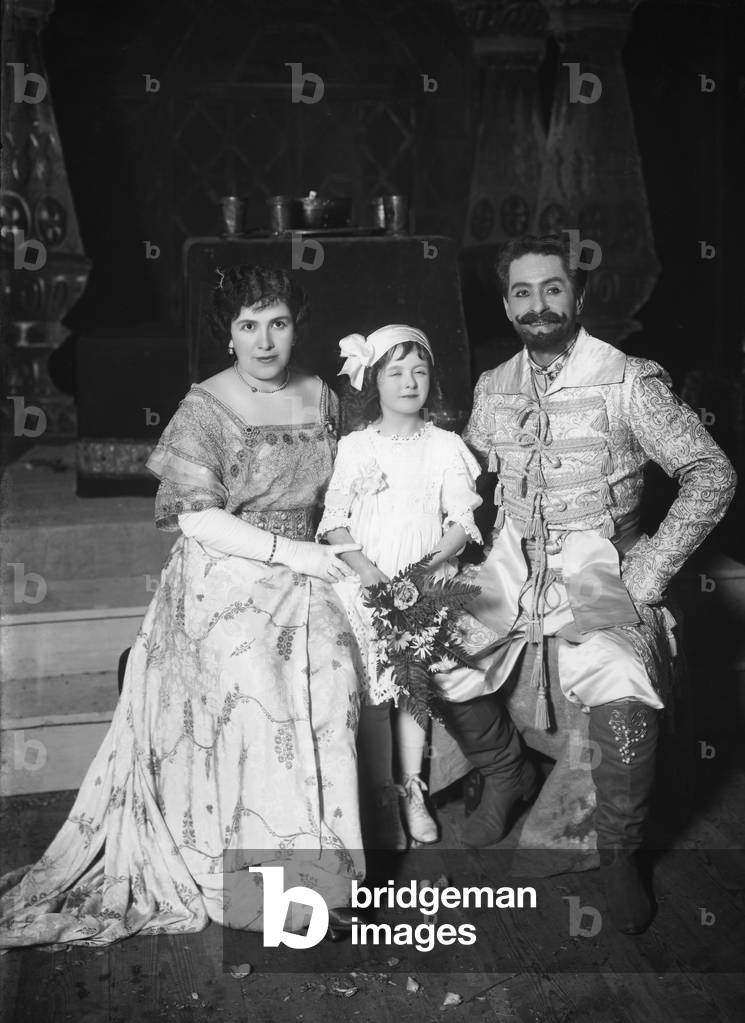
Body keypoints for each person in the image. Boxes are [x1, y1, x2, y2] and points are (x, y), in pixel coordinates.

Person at [0, 265, 366, 946]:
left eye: (277, 323)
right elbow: (198, 522)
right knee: (256, 676)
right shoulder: (205, 405)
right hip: (223, 571)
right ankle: (259, 885)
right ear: (228, 336)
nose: (264, 341)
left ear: (297, 327)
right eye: (248, 326)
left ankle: (328, 878)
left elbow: (349, 489)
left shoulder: (323, 396)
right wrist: (300, 558)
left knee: (336, 671)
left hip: (309, 567)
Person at [437, 233, 737, 934]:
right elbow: (468, 483)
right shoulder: (492, 385)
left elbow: (711, 474)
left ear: (578, 295)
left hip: (599, 563)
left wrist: (648, 569)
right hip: (512, 561)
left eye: (551, 288)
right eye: (520, 291)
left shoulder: (628, 378)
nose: (536, 304)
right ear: (505, 303)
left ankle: (617, 854)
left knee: (617, 671)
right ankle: (507, 772)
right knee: (432, 645)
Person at [318, 325, 483, 849]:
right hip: (368, 584)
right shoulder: (356, 446)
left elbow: (462, 520)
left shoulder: (445, 446)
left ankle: (415, 788)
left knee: (413, 690)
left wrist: (426, 567)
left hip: (423, 584)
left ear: (431, 380)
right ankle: (379, 798)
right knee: (372, 695)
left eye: (419, 371)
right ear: (375, 382)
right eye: (395, 372)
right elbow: (335, 520)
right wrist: (367, 570)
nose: (409, 382)